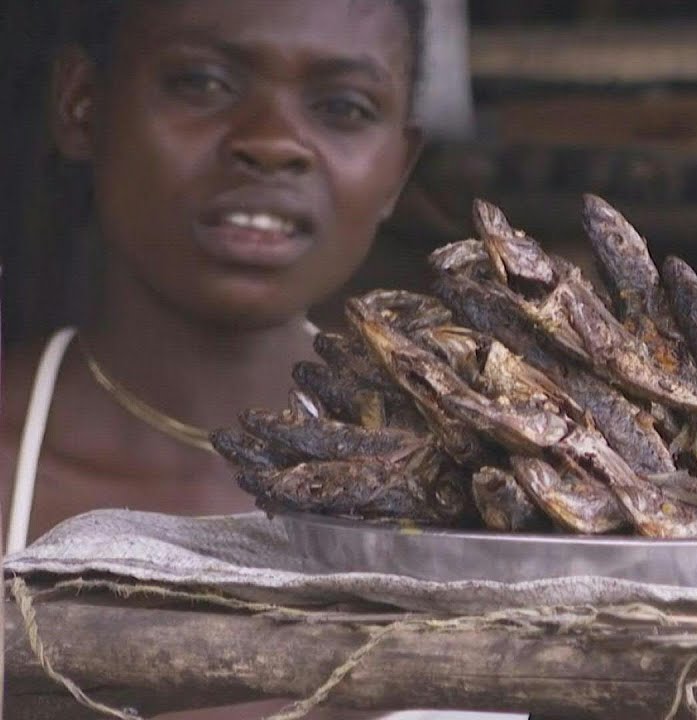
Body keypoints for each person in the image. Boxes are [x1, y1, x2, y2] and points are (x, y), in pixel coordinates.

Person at [0, 0, 432, 717]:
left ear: (397, 167)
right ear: (81, 106)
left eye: (343, 106)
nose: (272, 142)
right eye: (202, 83)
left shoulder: (490, 500)